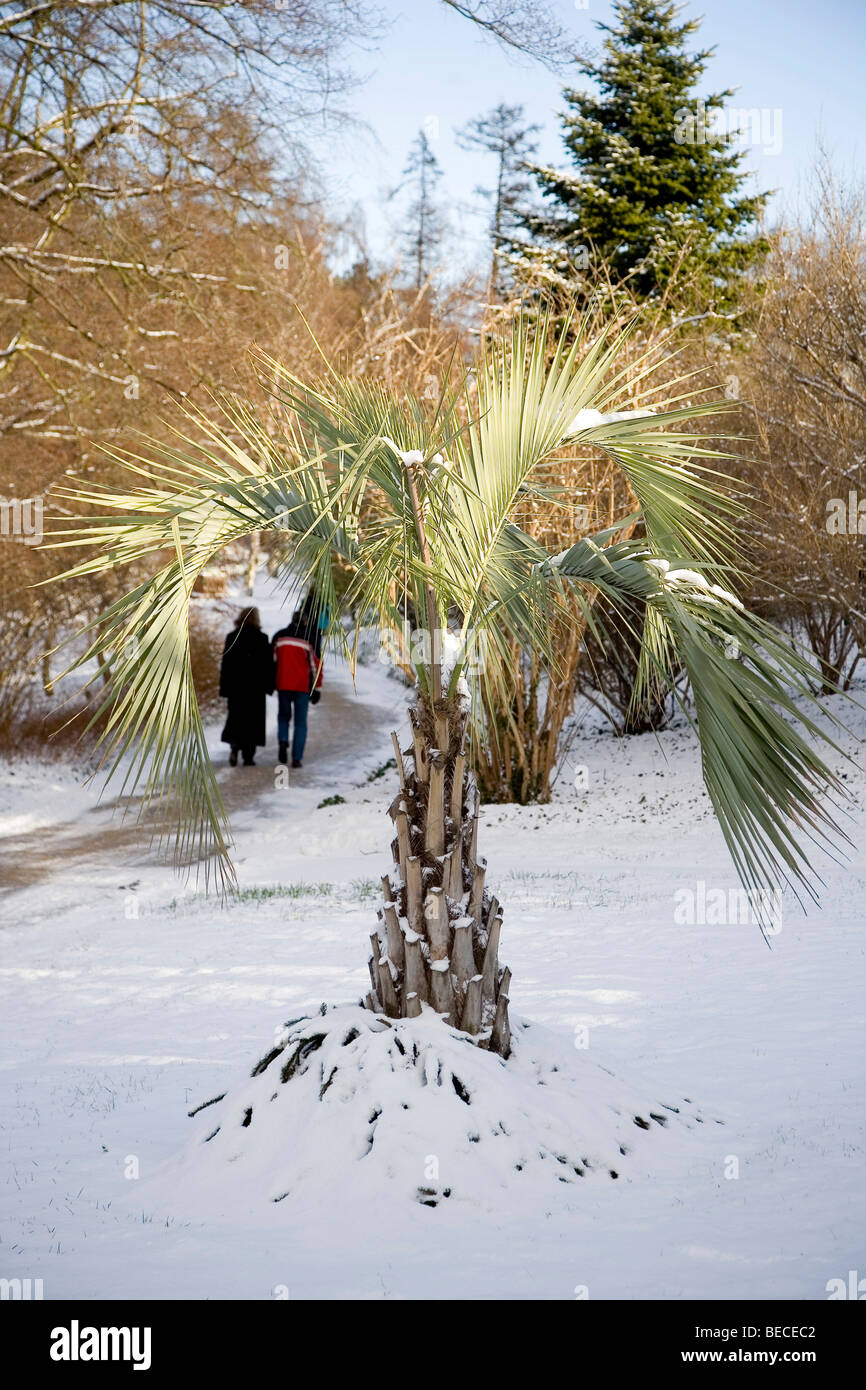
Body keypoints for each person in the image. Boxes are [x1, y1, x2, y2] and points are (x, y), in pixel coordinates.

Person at [219, 606, 274, 767]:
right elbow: (268, 665)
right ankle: (248, 756)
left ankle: (235, 744)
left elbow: (226, 664)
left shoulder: (232, 637)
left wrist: (224, 687)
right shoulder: (262, 638)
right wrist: (269, 686)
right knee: (253, 721)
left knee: (236, 717)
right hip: (255, 688)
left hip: (236, 687)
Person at [272, 606, 323, 767]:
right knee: (300, 723)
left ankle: (283, 740)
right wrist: (317, 688)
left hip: (283, 684)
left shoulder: (279, 637)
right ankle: (296, 758)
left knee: (283, 717)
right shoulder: (308, 640)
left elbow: (273, 662)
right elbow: (315, 666)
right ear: (305, 623)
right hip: (302, 687)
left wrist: (272, 681)